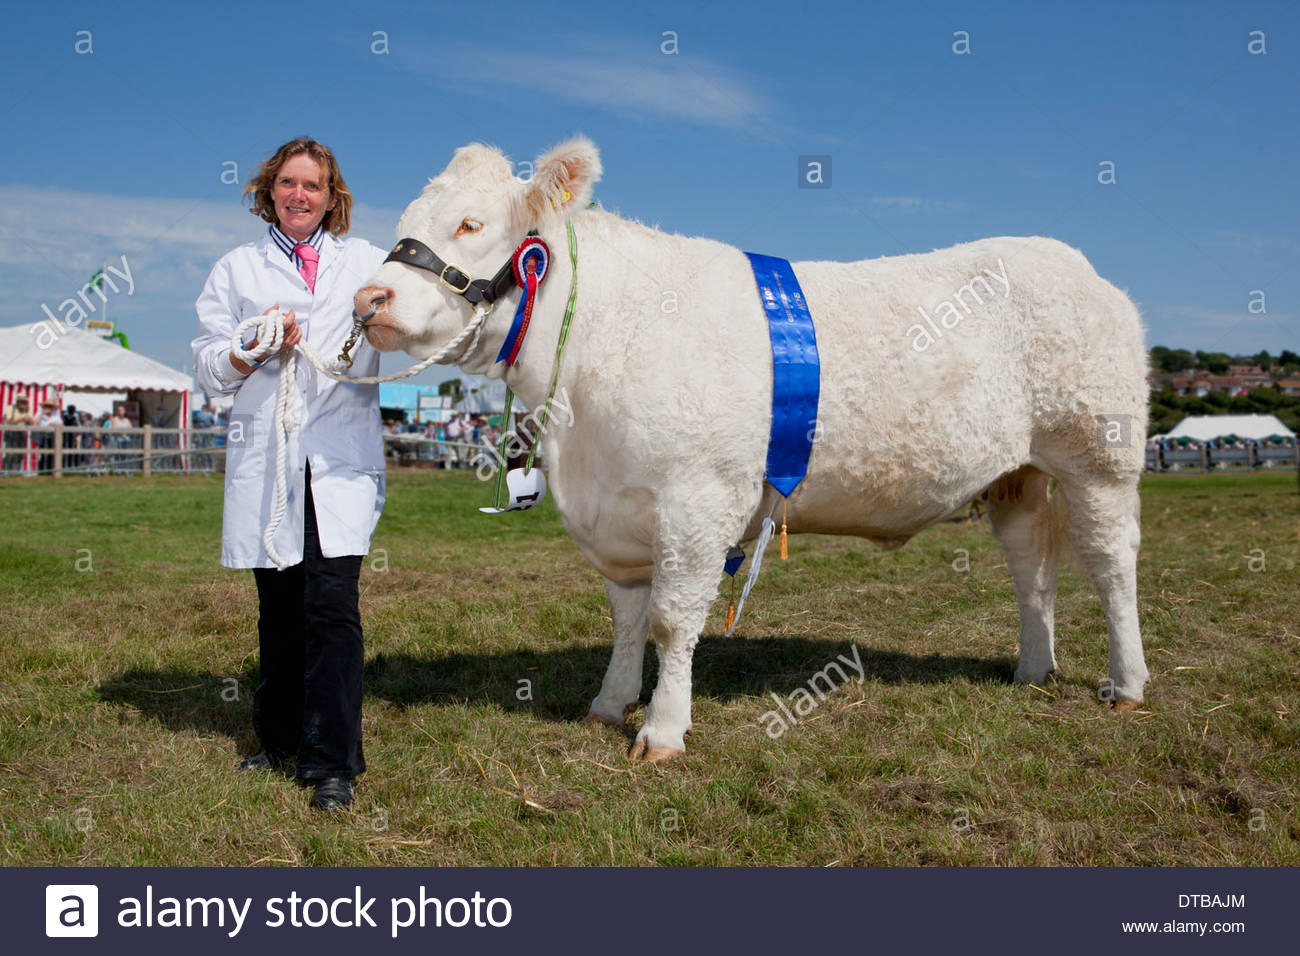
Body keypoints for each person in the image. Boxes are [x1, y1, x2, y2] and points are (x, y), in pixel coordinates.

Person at [191, 137, 388, 811]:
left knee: (332, 608)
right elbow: (207, 365)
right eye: (289, 184)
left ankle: (332, 763)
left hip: (338, 462)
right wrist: (253, 345)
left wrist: (382, 311)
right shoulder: (236, 269)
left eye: (314, 186)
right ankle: (277, 742)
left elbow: (405, 314)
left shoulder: (363, 260)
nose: (300, 196)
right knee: (279, 611)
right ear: (268, 191)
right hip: (269, 461)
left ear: (333, 198)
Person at [3, 395, 37, 473]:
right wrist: (21, 419)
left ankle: (15, 473)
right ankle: (6, 472)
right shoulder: (10, 408)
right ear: (17, 401)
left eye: (24, 401)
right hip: (11, 433)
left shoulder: (28, 409)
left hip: (22, 433)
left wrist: (29, 420)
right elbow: (8, 421)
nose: (23, 403)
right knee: (9, 454)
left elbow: (33, 423)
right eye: (21, 401)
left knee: (19, 455)